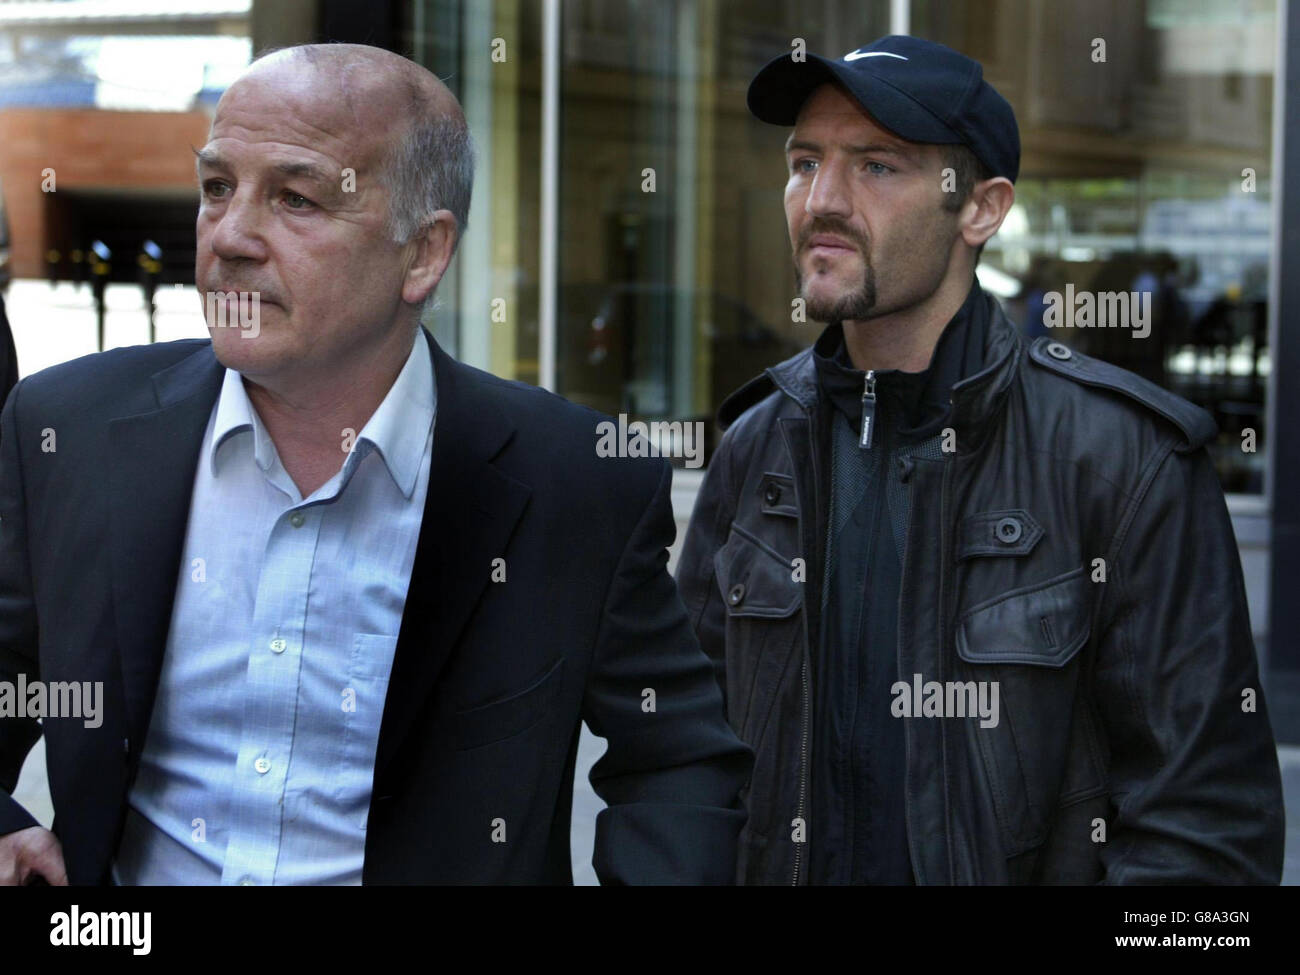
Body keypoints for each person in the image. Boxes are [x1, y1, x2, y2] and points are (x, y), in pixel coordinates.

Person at [0, 43, 750, 885]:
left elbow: (678, 759)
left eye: (296, 197)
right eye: (217, 187)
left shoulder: (573, 482)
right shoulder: (65, 429)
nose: (231, 236)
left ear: (423, 253)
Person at [675, 34, 1284, 884]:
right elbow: (685, 760)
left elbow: (1205, 833)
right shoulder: (755, 445)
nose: (822, 199)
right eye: (804, 162)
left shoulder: (1123, 460)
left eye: (876, 166)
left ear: (982, 210)